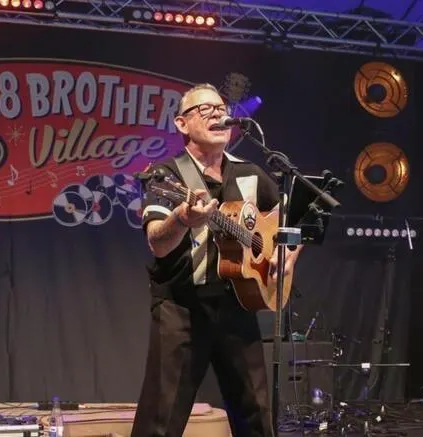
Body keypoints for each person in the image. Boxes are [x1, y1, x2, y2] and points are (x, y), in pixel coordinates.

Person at [130, 83, 301, 437]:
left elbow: (294, 218)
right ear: (181, 124)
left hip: (238, 305)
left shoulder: (251, 173)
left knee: (257, 416)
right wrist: (181, 219)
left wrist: (288, 254)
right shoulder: (167, 176)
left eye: (221, 108)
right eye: (204, 110)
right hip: (182, 308)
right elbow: (157, 244)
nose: (217, 115)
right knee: (160, 420)